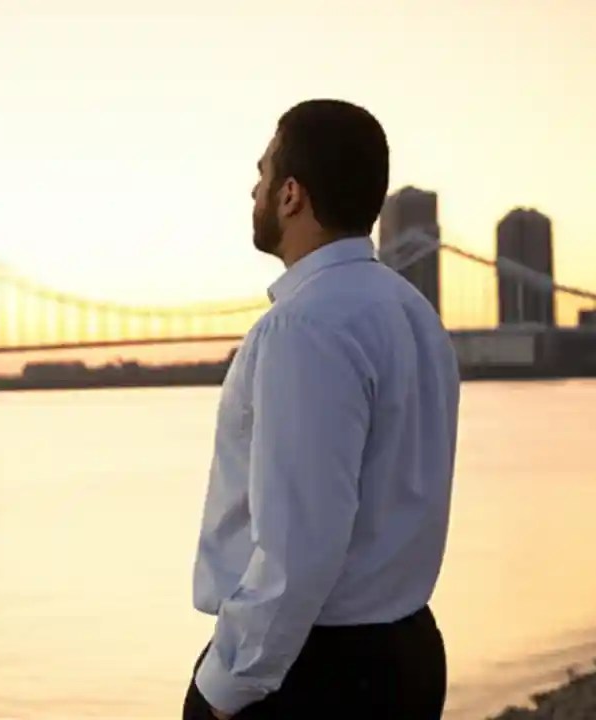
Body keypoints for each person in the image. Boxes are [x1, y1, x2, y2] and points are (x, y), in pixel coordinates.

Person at [183, 99, 460, 720]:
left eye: (262, 174)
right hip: (406, 652)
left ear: (290, 196)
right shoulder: (414, 314)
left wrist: (224, 686)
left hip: (312, 675)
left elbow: (300, 545)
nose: (252, 189)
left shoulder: (302, 326)